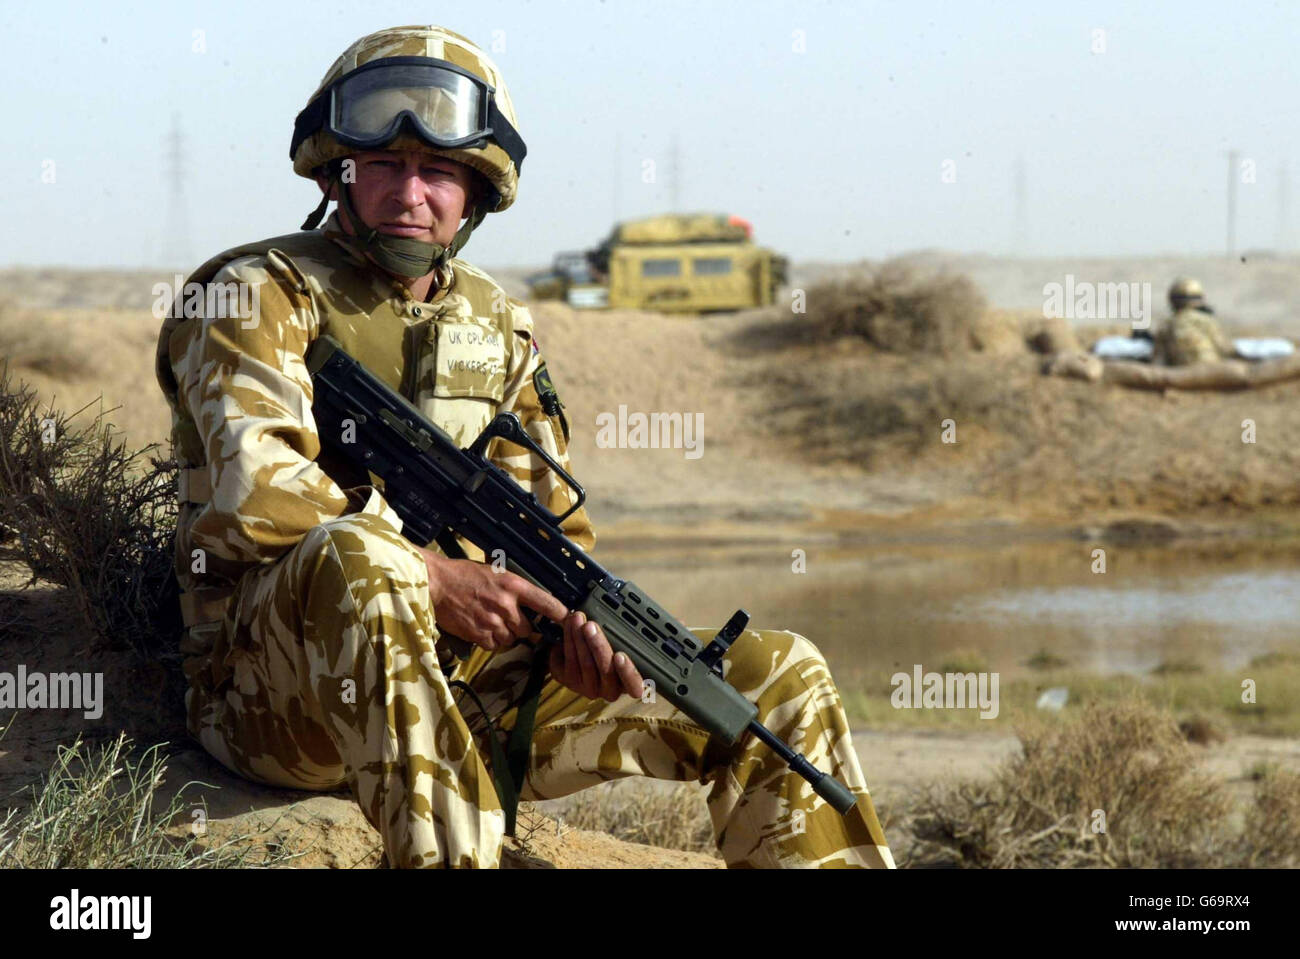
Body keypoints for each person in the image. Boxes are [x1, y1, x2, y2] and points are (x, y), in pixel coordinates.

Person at [154, 25, 892, 869]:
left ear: (477, 192)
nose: (410, 193)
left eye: (437, 172)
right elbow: (258, 495)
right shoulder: (256, 294)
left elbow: (549, 537)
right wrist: (432, 577)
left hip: (475, 686)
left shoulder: (499, 326)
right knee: (366, 557)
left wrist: (568, 639)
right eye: (383, 167)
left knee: (773, 677)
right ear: (336, 172)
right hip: (275, 695)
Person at [1154, 276, 1237, 365]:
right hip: (1212, 372)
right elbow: (1226, 349)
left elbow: (1159, 360)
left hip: (1181, 374)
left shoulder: (1166, 326)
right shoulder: (1207, 321)